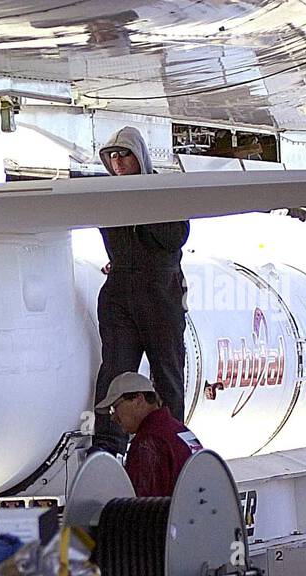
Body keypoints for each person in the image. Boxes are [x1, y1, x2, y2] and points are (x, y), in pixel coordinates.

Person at [90, 126, 190, 456]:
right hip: (121, 295)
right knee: (114, 374)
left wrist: (142, 207)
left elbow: (175, 237)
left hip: (160, 295)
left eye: (125, 155)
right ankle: (107, 451)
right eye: (112, 157)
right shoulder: (106, 196)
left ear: (140, 157)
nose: (118, 162)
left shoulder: (164, 190)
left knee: (168, 376)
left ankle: (170, 447)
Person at [95, 371, 202, 497]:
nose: (113, 417)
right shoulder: (178, 429)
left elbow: (142, 507)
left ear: (138, 400)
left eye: (114, 407)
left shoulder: (148, 442)